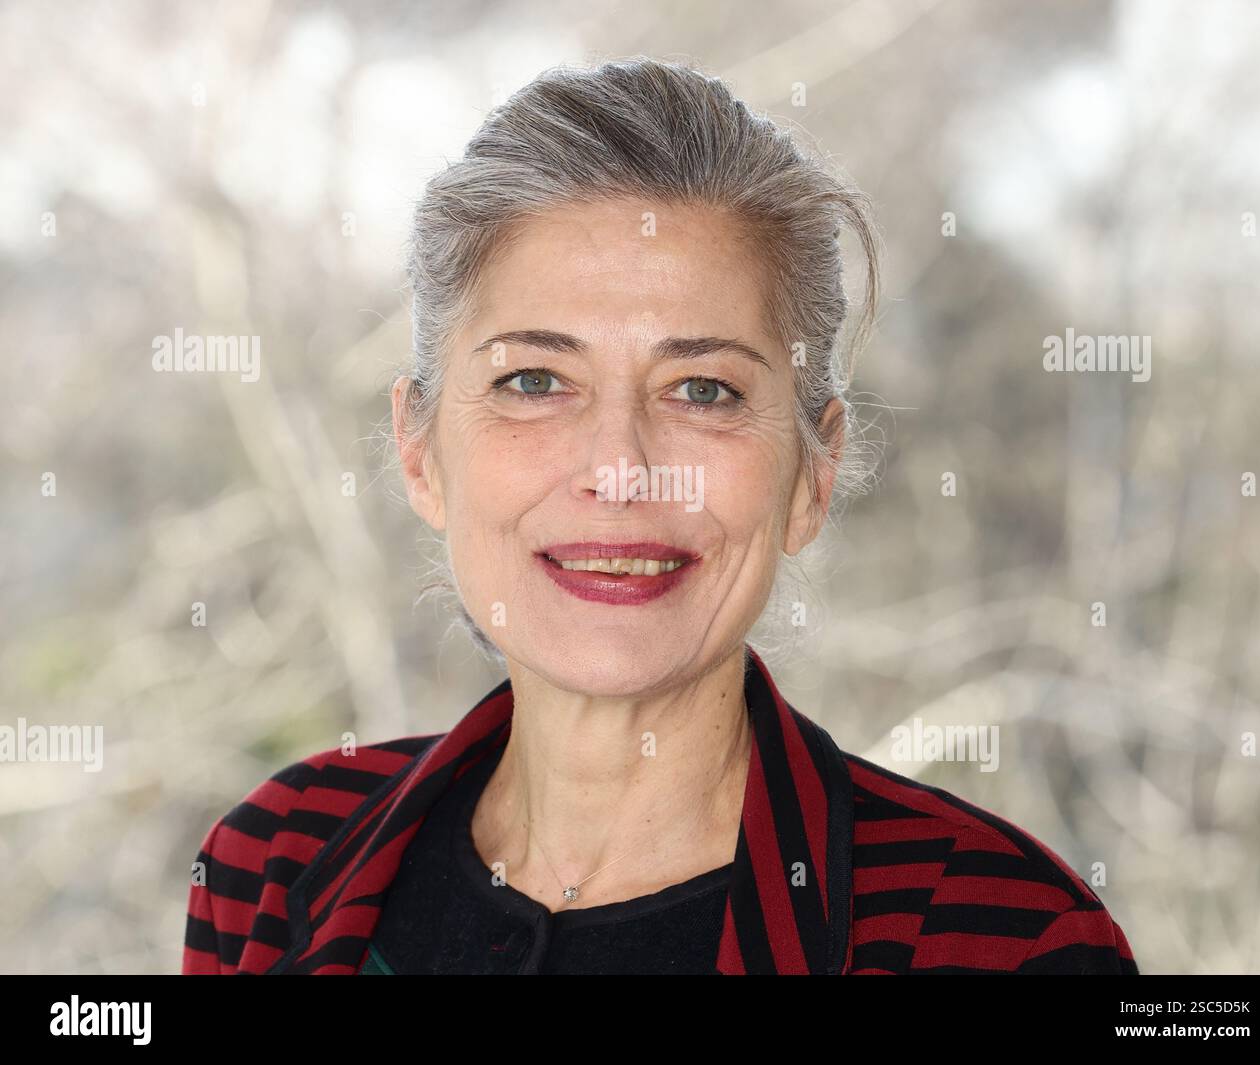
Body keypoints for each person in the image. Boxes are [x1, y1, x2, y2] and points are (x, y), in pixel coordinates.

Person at [183, 56, 1137, 975]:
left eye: (704, 390)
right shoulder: (269, 868)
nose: (621, 470)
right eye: (533, 379)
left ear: (813, 471)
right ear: (419, 449)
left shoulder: (1006, 941)